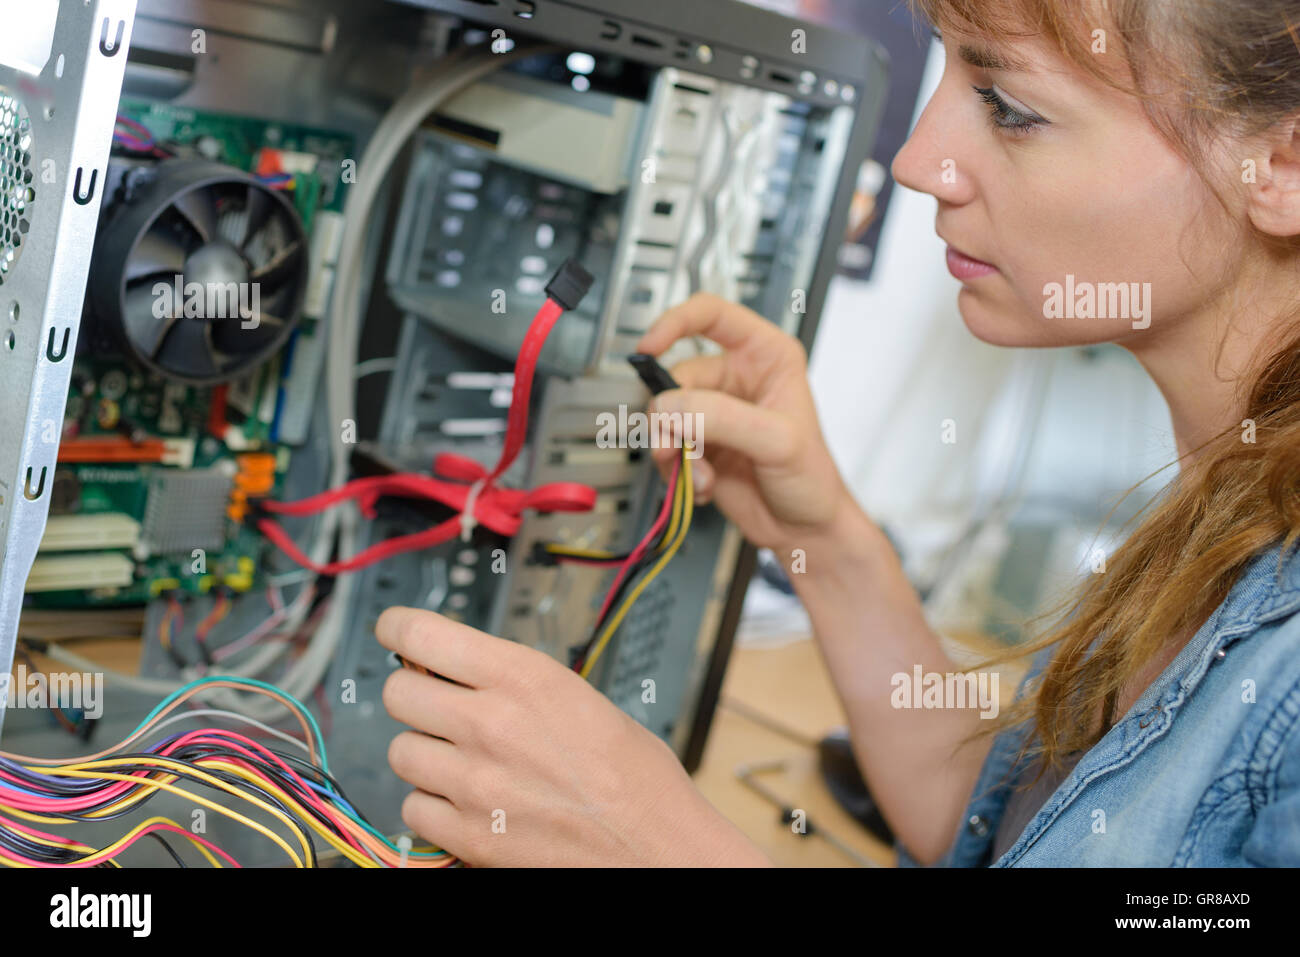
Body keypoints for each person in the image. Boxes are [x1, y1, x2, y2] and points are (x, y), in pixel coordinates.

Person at [375, 0, 1300, 866]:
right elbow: (1001, 830)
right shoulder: (1229, 504)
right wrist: (823, 539)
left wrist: (665, 844)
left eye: (1008, 105)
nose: (915, 159)